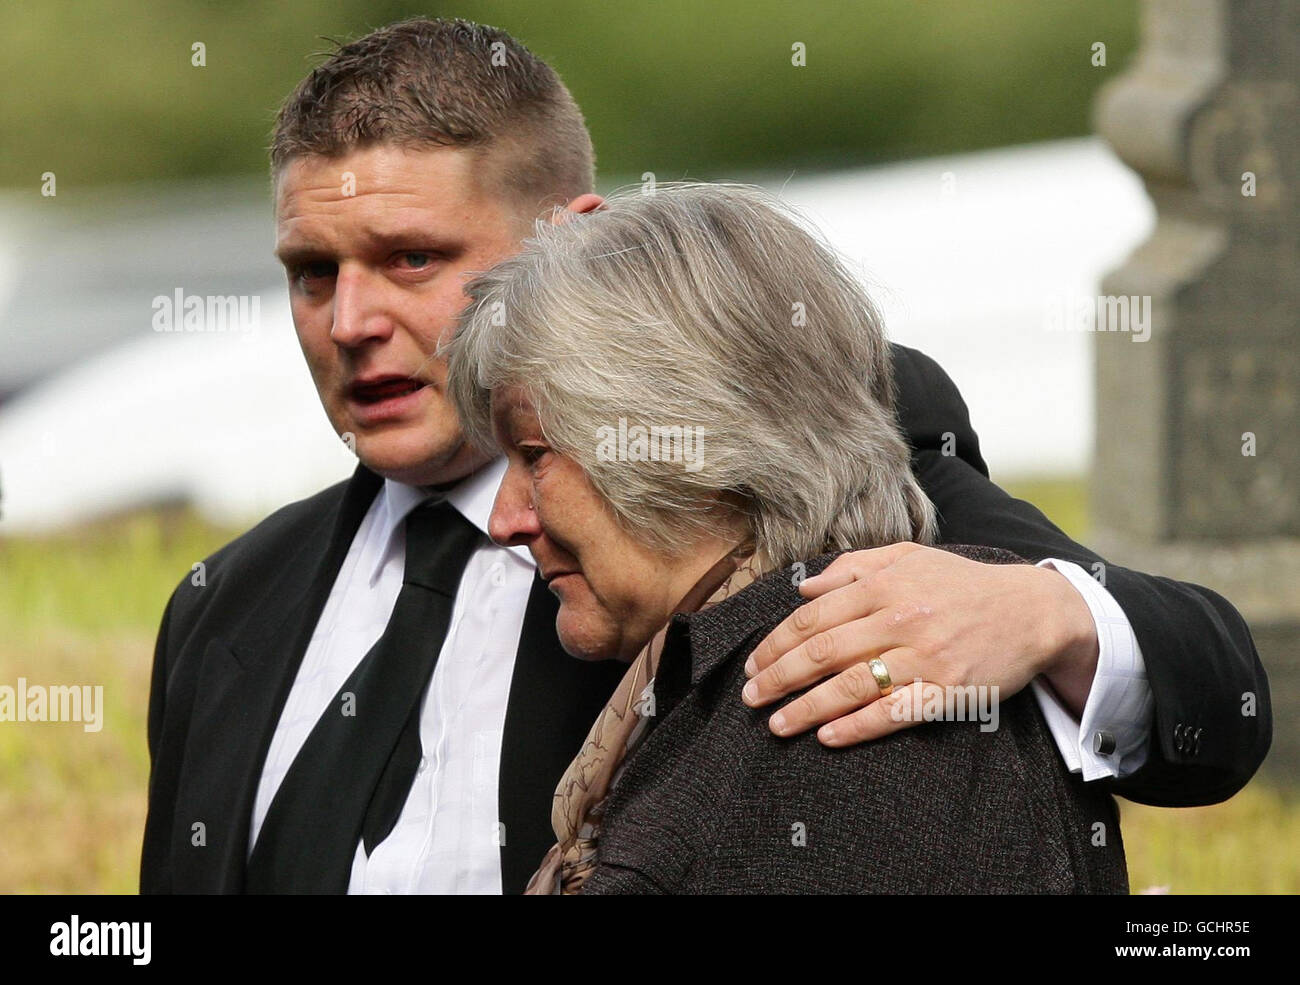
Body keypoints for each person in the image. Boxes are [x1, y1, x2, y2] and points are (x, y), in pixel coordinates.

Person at [140, 17, 1268, 895]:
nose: (349, 321)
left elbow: (1214, 700)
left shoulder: (788, 427)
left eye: (412, 258)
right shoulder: (228, 600)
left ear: (566, 244)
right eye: (310, 272)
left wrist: (1049, 615)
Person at [445, 181, 1127, 892]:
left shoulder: (835, 724)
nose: (505, 519)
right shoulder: (733, 688)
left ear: (687, 444)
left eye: (534, 455)